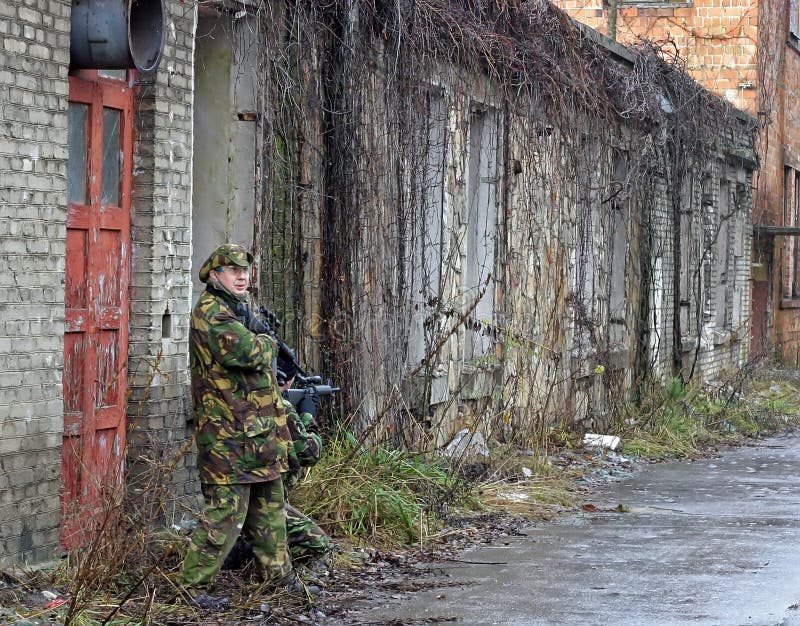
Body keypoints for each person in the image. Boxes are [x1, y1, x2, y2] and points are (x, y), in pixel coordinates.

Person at [178, 243, 306, 603]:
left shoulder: (235, 311)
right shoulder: (213, 314)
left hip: (256, 435)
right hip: (228, 437)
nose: (242, 277)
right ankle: (191, 587)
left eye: (245, 271)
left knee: (270, 512)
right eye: (233, 271)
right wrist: (267, 341)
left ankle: (280, 581)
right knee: (225, 515)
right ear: (214, 275)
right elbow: (253, 353)